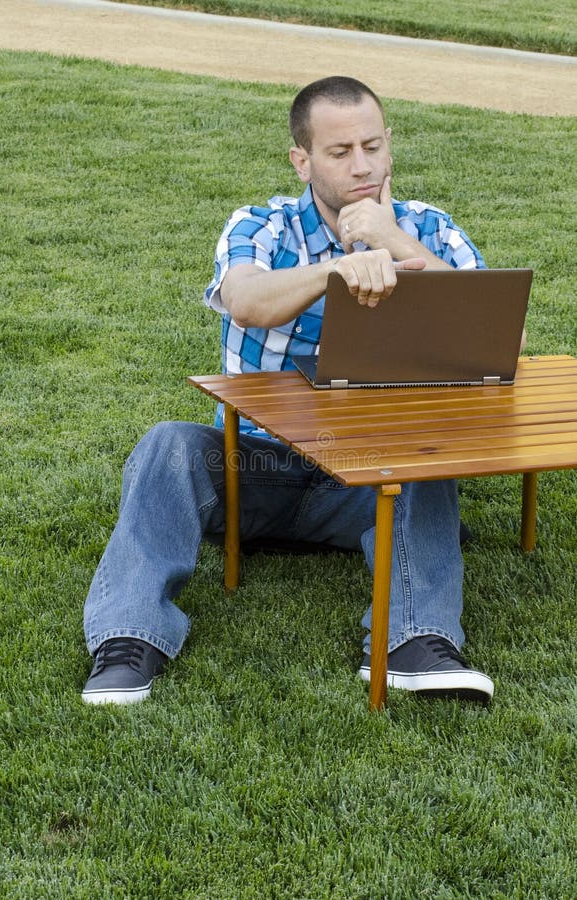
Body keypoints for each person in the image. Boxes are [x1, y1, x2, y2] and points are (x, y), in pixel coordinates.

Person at [81, 76, 495, 706]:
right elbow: (246, 301)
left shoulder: (427, 228)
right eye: (339, 152)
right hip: (258, 467)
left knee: (422, 454)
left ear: (390, 147)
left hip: (366, 475)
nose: (362, 166)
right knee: (169, 444)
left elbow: (494, 330)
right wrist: (336, 268)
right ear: (301, 160)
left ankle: (415, 642)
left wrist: (394, 243)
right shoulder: (260, 225)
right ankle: (129, 638)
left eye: (373, 146)